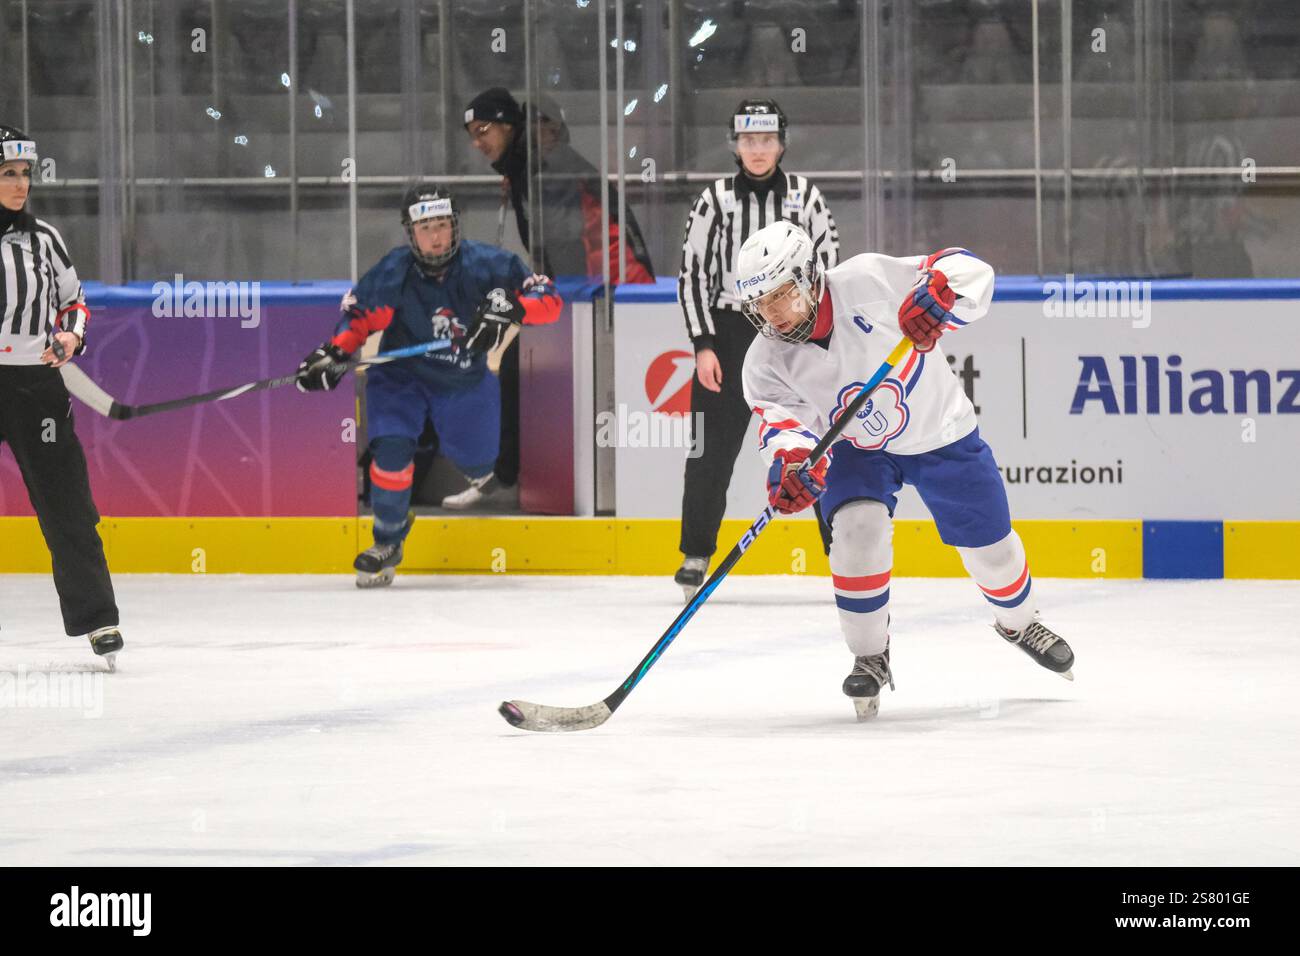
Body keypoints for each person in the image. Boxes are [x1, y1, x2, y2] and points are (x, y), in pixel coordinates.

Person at [734, 221, 1076, 720]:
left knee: (994, 551)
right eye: (761, 304)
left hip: (938, 429)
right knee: (855, 532)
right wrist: (791, 466)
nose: (774, 314)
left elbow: (966, 269)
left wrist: (941, 296)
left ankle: (1019, 623)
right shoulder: (765, 362)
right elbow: (785, 428)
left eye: (782, 295)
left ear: (809, 275)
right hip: (855, 449)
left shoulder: (868, 282)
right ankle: (870, 655)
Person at [296, 183, 560, 587]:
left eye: (442, 225)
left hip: (463, 382)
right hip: (402, 379)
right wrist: (335, 352)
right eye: (425, 228)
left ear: (455, 226)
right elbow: (360, 318)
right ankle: (386, 540)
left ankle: (474, 468)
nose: (435, 237)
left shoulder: (488, 265)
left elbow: (549, 302)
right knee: (391, 452)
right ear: (410, 232)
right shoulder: (394, 270)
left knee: (480, 463)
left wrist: (514, 308)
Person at [674, 99, 840, 599]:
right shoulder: (715, 201)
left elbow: (829, 264)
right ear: (736, 145)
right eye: (749, 140)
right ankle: (696, 552)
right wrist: (704, 345)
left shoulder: (805, 198)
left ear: (782, 143)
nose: (758, 149)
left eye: (766, 140)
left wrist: (818, 332)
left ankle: (841, 550)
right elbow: (692, 275)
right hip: (728, 333)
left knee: (820, 443)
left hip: (794, 326)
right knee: (711, 452)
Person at [0, 125, 124, 668]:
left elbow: (74, 301)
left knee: (67, 505)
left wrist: (73, 335)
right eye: (8, 173)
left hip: (35, 386)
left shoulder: (44, 238)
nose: (21, 184)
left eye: (25, 173)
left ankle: (98, 619)